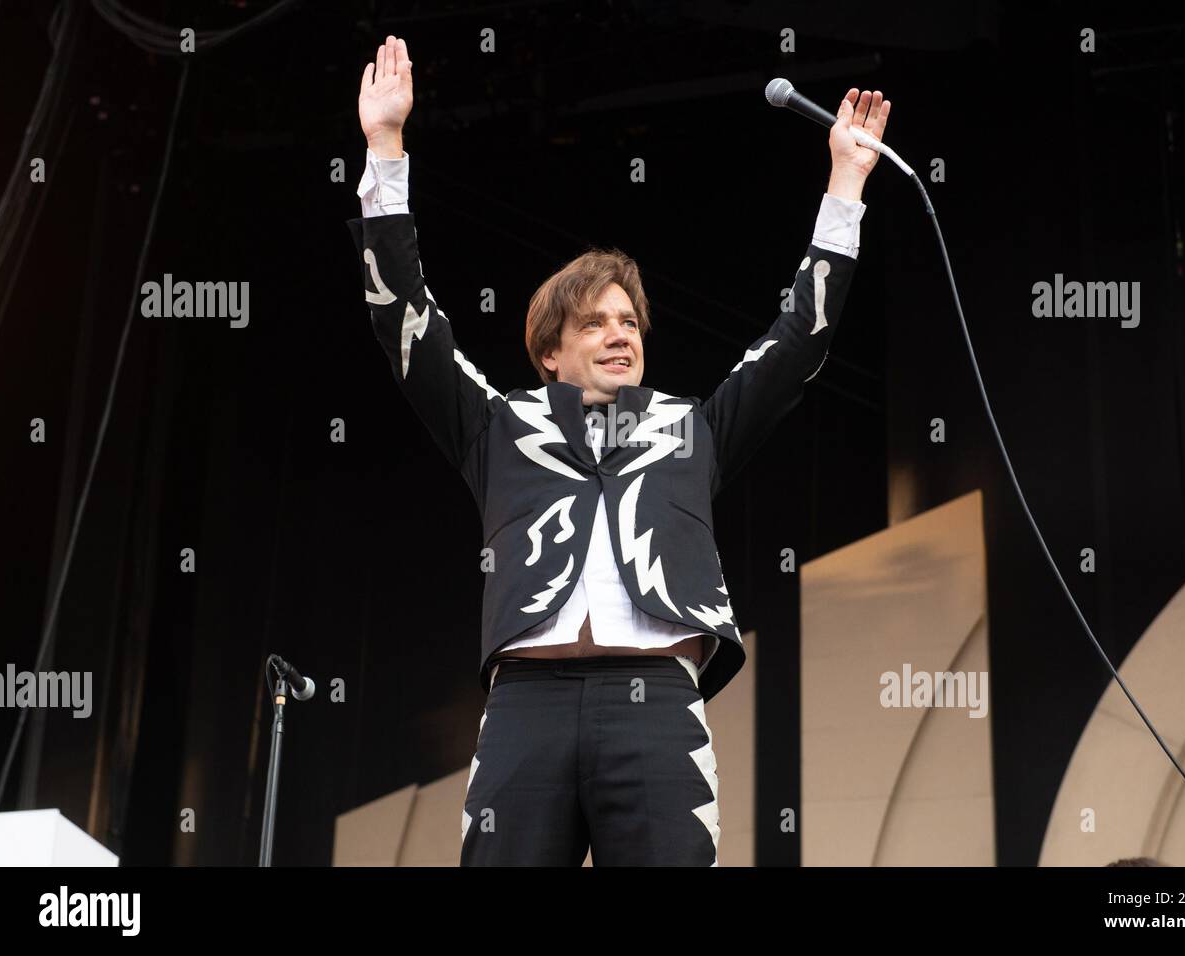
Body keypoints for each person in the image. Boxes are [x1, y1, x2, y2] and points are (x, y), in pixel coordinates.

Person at [348, 35, 889, 866]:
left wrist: (844, 188)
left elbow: (795, 346)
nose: (618, 335)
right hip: (527, 700)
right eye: (593, 322)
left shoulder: (690, 428)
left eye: (629, 322)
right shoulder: (498, 425)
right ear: (549, 354)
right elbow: (407, 325)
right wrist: (386, 147)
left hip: (658, 701)